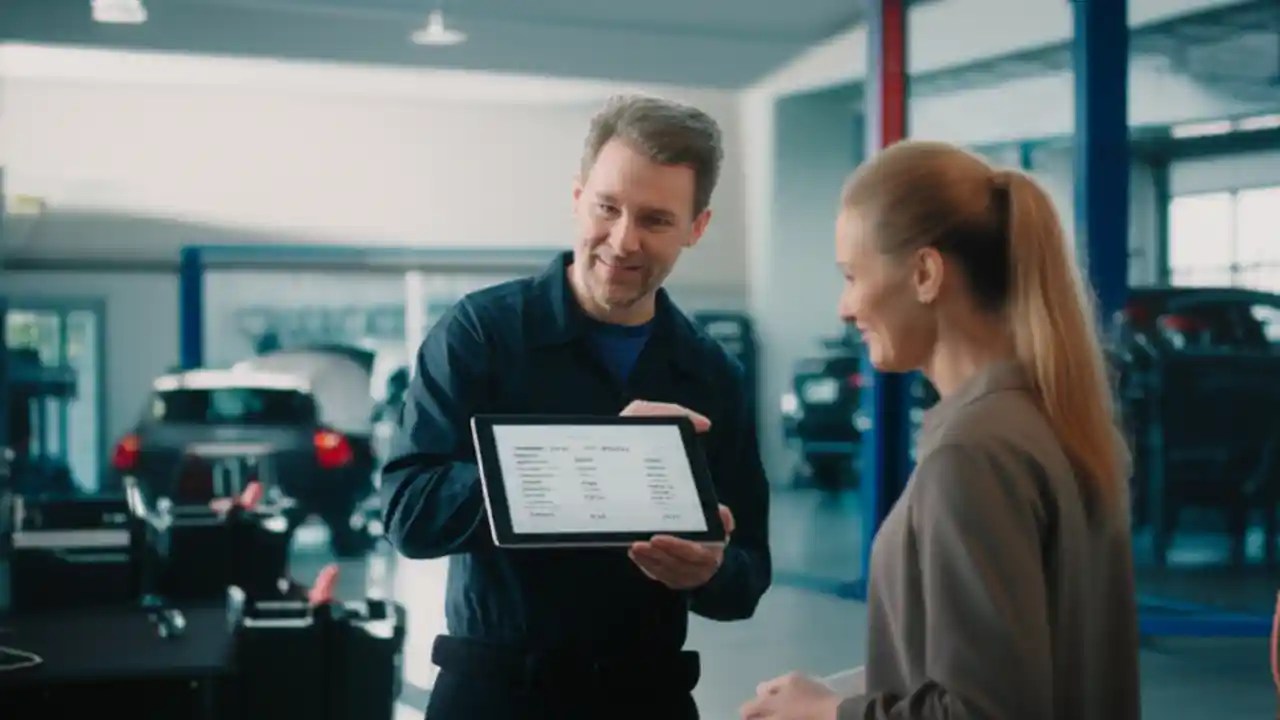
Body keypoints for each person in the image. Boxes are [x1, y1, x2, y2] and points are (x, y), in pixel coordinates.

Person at [381, 93, 772, 719]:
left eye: (656, 220)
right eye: (608, 208)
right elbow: (408, 511)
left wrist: (709, 574)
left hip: (647, 696)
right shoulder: (481, 334)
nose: (623, 241)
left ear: (697, 228)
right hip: (495, 695)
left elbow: (748, 574)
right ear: (577, 197)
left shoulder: (709, 373)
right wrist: (592, 461)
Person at [740, 140, 1140, 720]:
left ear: (925, 273)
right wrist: (842, 694)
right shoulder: (1045, 419)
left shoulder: (973, 454)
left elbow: (984, 711)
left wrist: (830, 714)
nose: (845, 308)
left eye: (852, 275)